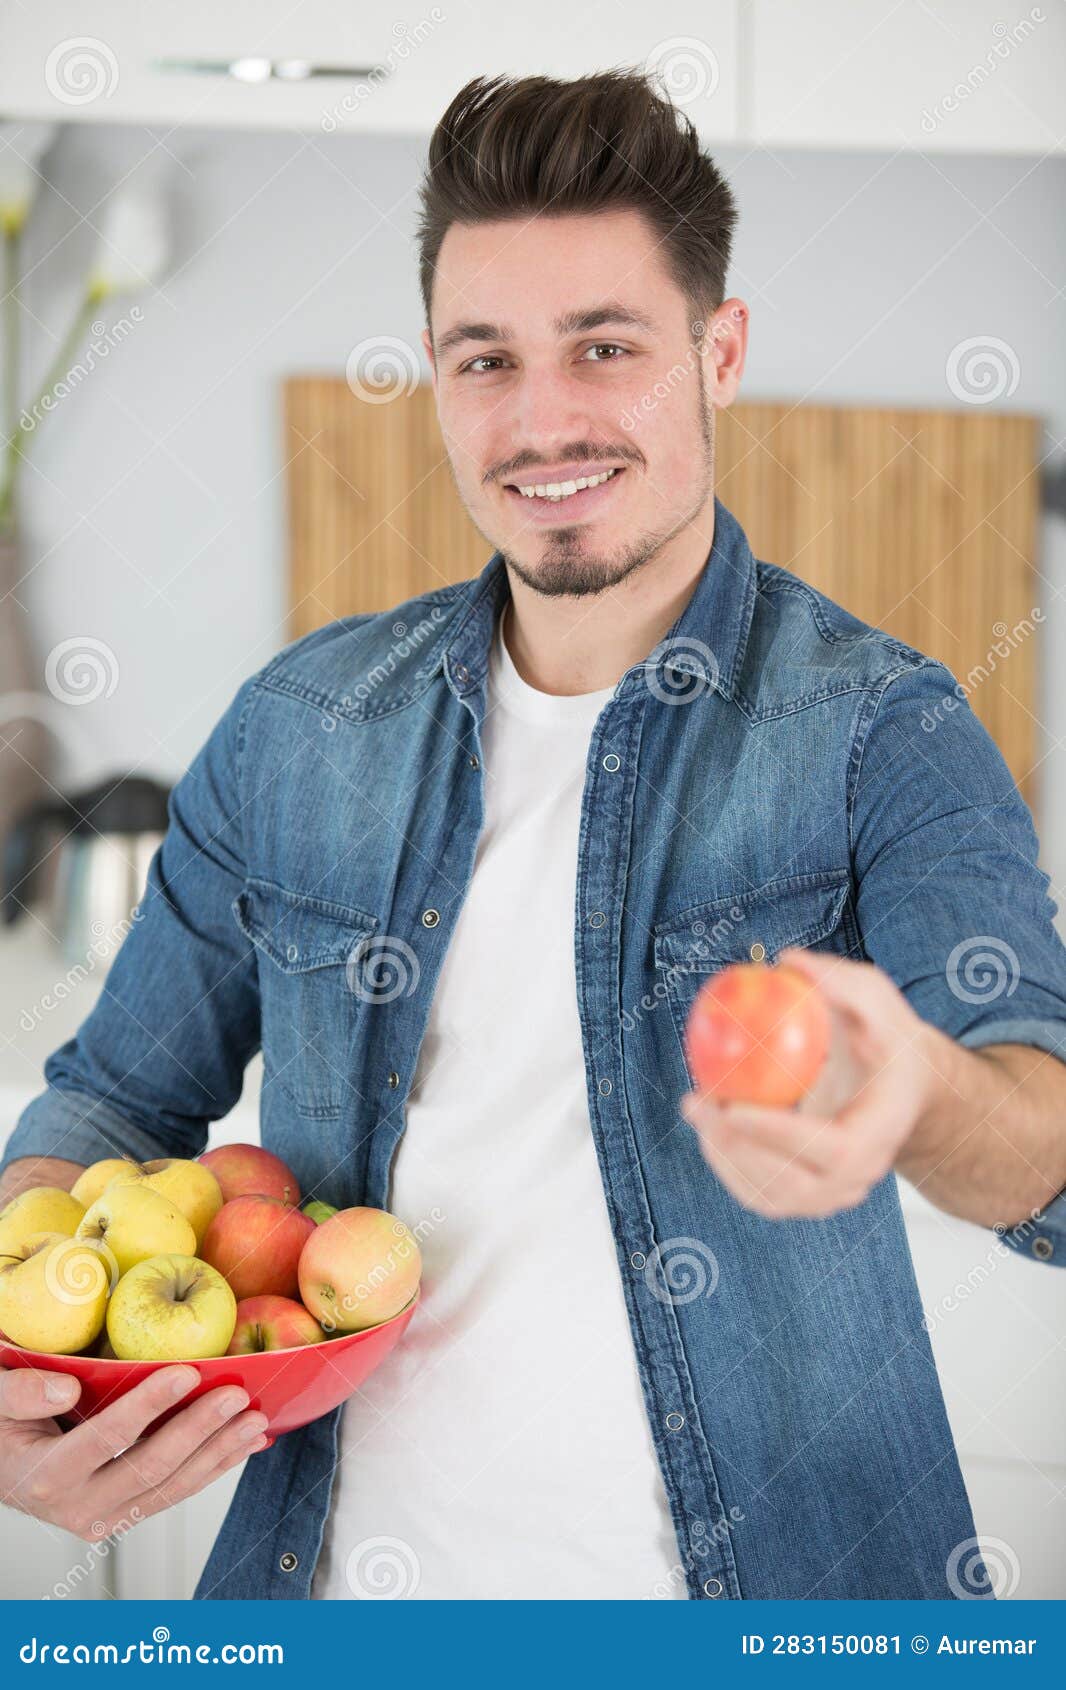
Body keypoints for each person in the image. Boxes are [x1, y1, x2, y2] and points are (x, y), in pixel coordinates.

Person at [2, 70, 1066, 1603]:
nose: (541, 418)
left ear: (718, 353)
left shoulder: (877, 728)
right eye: (484, 358)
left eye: (604, 347)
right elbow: (110, 1101)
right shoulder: (297, 729)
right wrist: (18, 1381)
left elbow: (1042, 1135)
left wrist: (917, 1093)